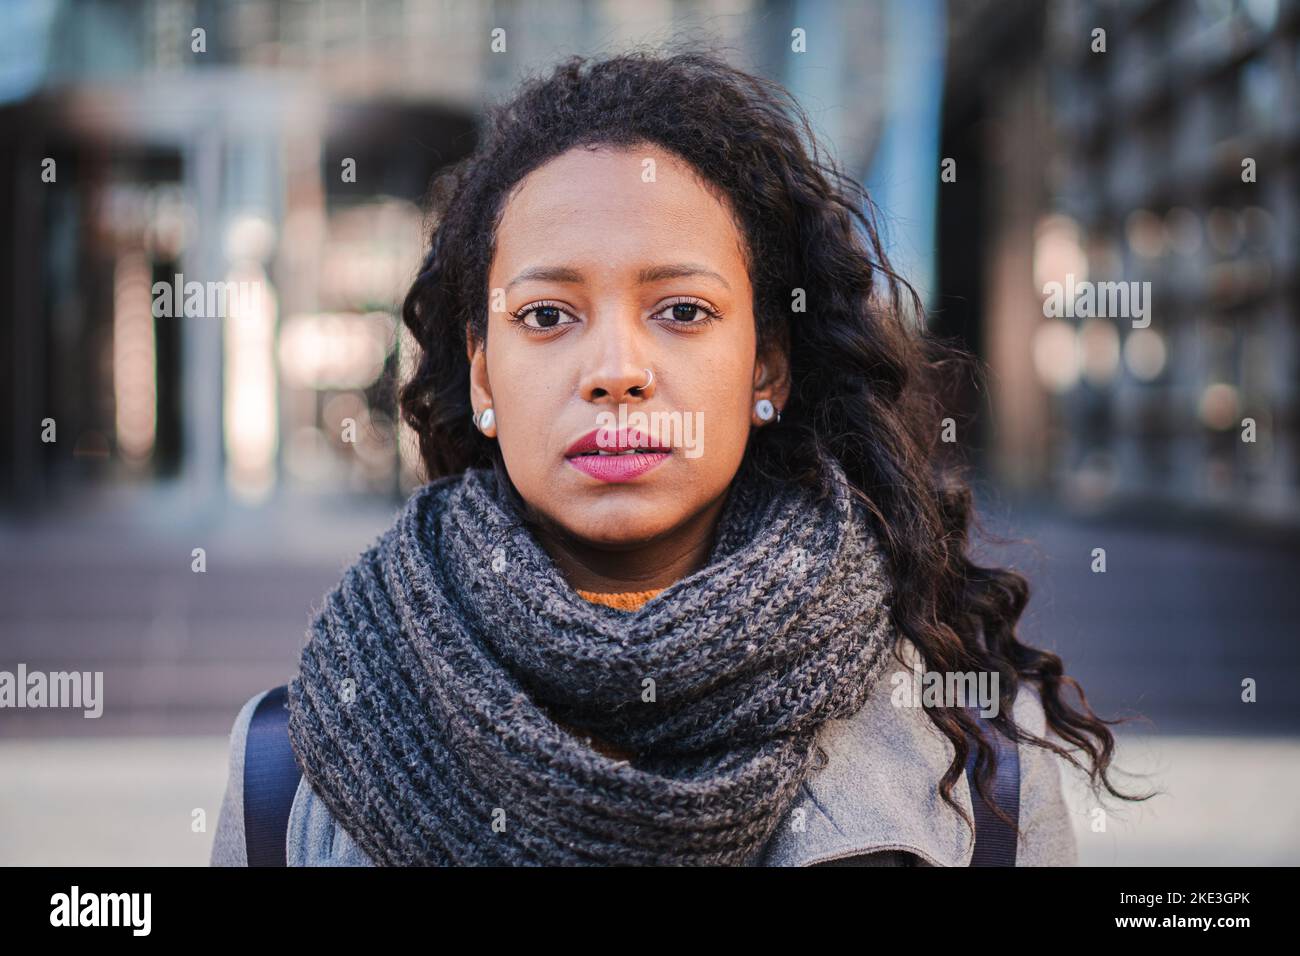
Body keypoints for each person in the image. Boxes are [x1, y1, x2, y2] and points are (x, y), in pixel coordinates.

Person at [211, 49, 1142, 867]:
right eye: (547, 316)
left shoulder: (983, 773)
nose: (617, 373)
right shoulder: (284, 772)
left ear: (766, 366)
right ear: (483, 374)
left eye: (682, 312)